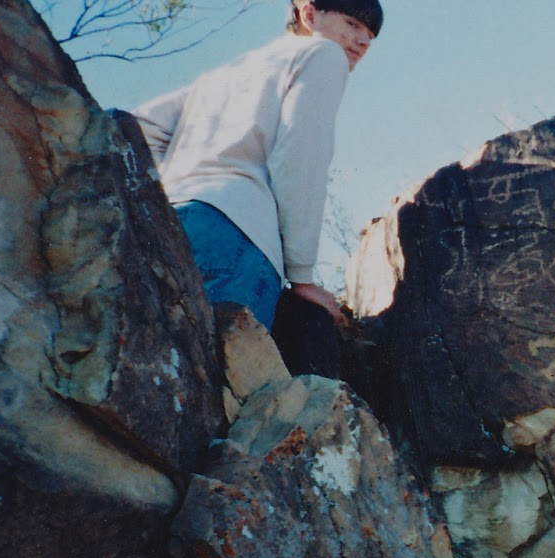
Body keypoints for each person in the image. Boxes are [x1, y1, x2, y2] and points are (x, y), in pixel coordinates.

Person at [134, 0, 382, 331]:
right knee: (219, 375)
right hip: (239, 238)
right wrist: (302, 275)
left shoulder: (223, 74)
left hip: (174, 223)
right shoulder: (324, 53)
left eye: (370, 34)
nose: (364, 41)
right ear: (308, 13)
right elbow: (300, 156)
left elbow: (139, 129)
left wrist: (178, 182)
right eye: (353, 24)